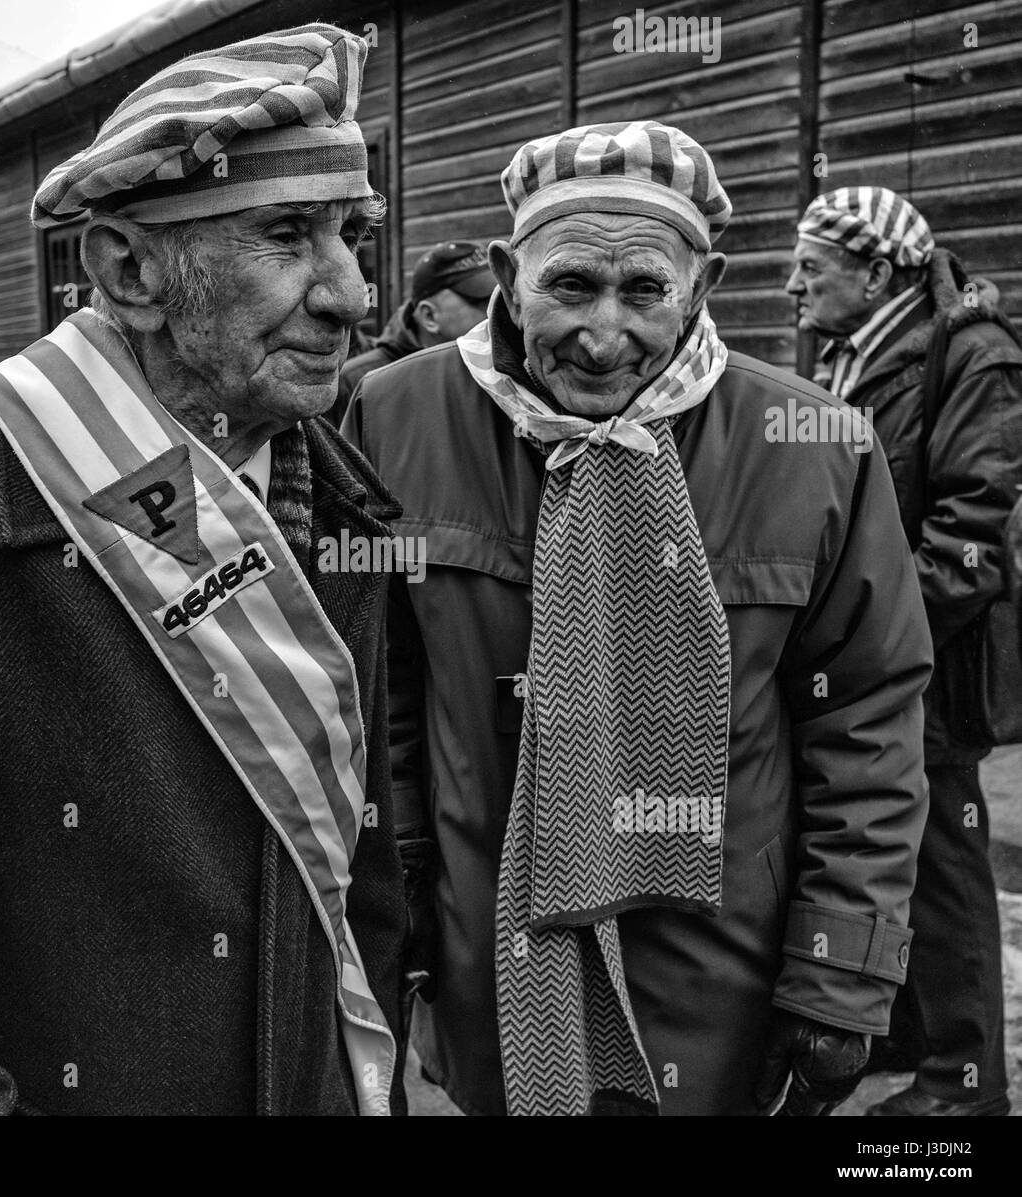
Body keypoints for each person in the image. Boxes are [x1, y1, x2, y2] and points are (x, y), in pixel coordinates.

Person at [0, 23, 408, 1116]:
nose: (349, 293)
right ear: (130, 272)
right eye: (288, 236)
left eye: (355, 234)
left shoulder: (338, 484)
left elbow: (354, 870)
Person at [345, 121, 933, 1116]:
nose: (604, 333)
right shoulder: (394, 417)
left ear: (701, 288)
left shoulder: (816, 446)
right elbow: (375, 701)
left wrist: (839, 970)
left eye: (644, 291)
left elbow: (865, 720)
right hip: (489, 955)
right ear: (505, 273)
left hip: (720, 971)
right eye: (569, 286)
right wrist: (386, 933)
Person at [787, 186, 1022, 1117]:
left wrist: (876, 642)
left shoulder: (973, 359)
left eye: (813, 266)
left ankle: (965, 1092)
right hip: (876, 656)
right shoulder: (859, 353)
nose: (795, 285)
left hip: (927, 666)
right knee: (900, 861)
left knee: (949, 875)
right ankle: (915, 1044)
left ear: (877, 272)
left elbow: (972, 534)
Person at [331, 241, 494, 425]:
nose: (496, 310)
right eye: (482, 302)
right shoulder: (355, 384)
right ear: (429, 316)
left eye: (501, 297)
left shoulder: (500, 369)